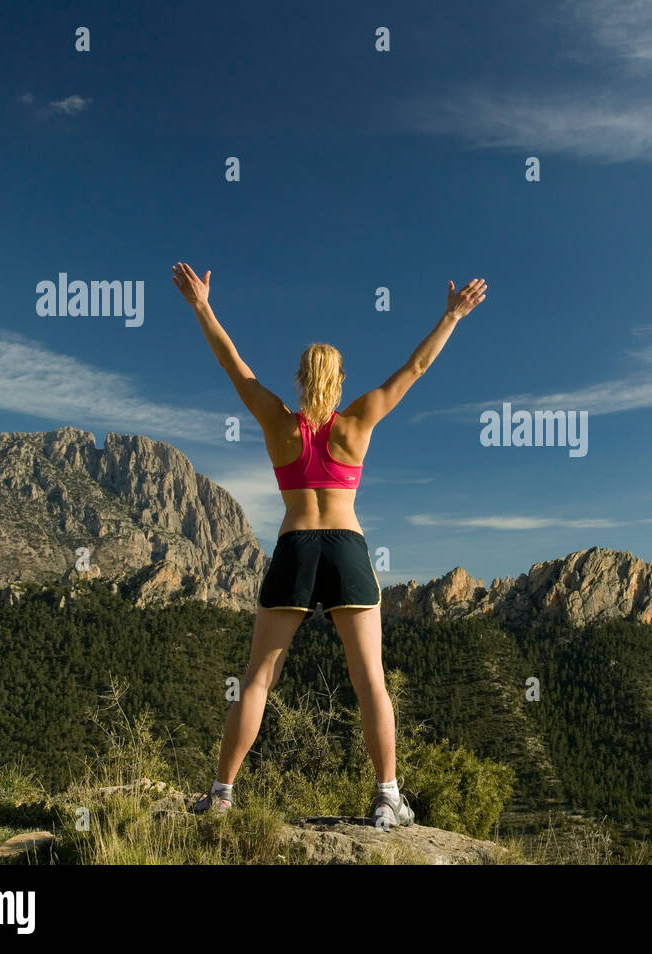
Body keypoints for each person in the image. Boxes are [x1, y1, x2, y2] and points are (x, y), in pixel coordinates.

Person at [171, 261, 487, 827]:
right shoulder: (359, 420)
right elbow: (415, 367)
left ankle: (221, 795)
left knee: (258, 679)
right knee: (371, 682)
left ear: (298, 378)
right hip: (346, 546)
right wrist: (453, 316)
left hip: (296, 546)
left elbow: (232, 366)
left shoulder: (276, 422)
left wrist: (202, 306)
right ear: (338, 381)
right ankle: (388, 798)